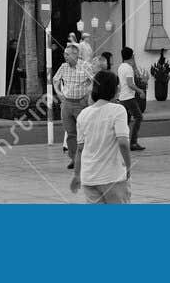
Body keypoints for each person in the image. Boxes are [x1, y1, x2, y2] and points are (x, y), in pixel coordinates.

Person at [70, 70, 132, 203]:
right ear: (114, 89)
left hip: (89, 178)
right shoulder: (118, 110)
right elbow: (123, 143)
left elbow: (80, 149)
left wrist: (76, 175)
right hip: (112, 176)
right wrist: (128, 166)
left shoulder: (83, 114)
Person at [51, 42, 94, 171]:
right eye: (65, 54)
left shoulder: (85, 66)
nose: (65, 56)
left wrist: (89, 94)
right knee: (70, 133)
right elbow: (55, 80)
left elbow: (94, 80)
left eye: (67, 54)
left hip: (81, 103)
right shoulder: (63, 67)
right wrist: (58, 92)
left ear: (76, 55)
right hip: (66, 103)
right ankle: (74, 159)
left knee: (84, 133)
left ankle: (86, 159)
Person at [116, 47, 146, 152]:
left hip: (122, 98)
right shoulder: (128, 68)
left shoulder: (121, 67)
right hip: (129, 98)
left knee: (126, 121)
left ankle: (123, 142)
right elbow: (130, 84)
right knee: (139, 117)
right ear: (131, 55)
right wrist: (140, 91)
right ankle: (133, 142)